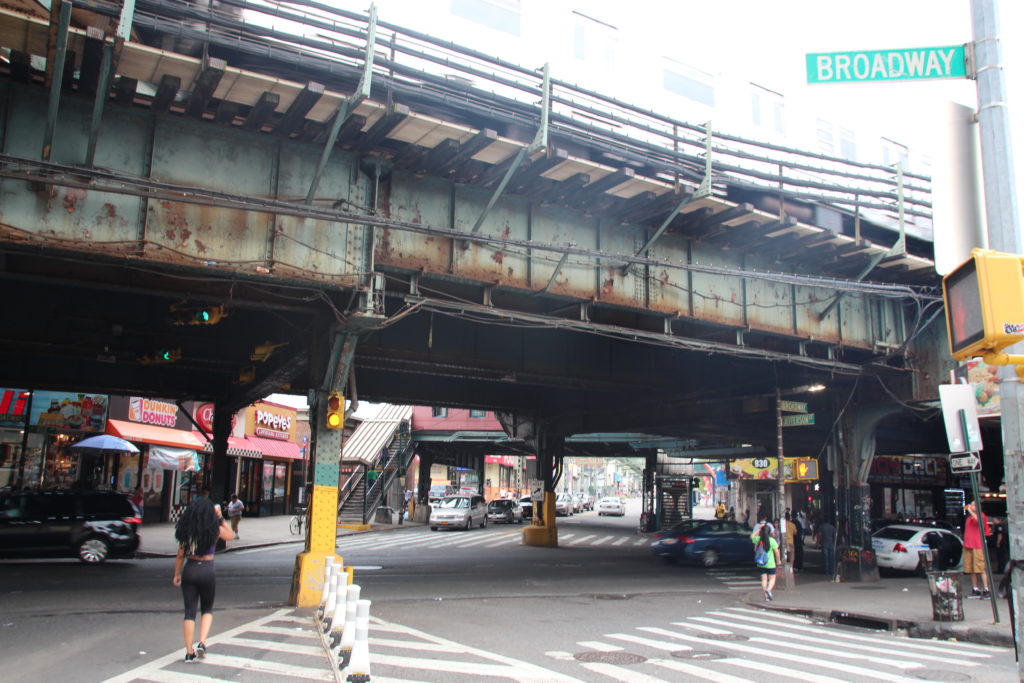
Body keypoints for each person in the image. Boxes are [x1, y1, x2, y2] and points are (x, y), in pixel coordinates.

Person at [172, 496, 234, 662]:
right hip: (207, 570)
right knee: (207, 609)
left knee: (189, 613)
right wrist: (220, 518)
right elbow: (231, 535)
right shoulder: (214, 529)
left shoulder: (186, 530)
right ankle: (202, 643)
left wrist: (177, 574)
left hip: (190, 569)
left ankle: (188, 652)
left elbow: (180, 555)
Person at [963, 500, 992, 598]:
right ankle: (975, 588)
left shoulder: (981, 515)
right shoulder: (969, 517)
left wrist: (970, 510)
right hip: (968, 545)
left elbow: (979, 521)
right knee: (971, 568)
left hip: (978, 545)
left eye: (973, 505)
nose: (971, 506)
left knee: (981, 567)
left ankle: (986, 589)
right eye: (971, 504)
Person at [751, 520, 781, 601]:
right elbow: (777, 552)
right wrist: (778, 561)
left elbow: (751, 536)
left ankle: (766, 595)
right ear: (769, 532)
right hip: (771, 564)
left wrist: (759, 529)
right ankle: (768, 590)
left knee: (764, 579)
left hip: (761, 563)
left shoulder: (758, 539)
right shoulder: (772, 541)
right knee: (772, 579)